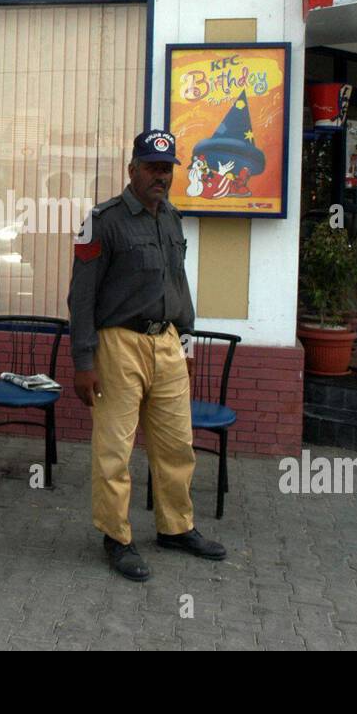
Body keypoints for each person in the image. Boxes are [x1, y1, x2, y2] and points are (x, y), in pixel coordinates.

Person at [67, 129, 226, 581]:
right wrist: (83, 361)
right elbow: (80, 298)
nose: (161, 176)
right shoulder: (101, 221)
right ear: (132, 169)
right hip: (119, 344)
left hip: (168, 343)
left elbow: (179, 284)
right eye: (153, 167)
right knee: (115, 450)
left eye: (167, 168)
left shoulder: (172, 218)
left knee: (177, 444)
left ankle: (176, 528)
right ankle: (116, 537)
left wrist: (187, 340)